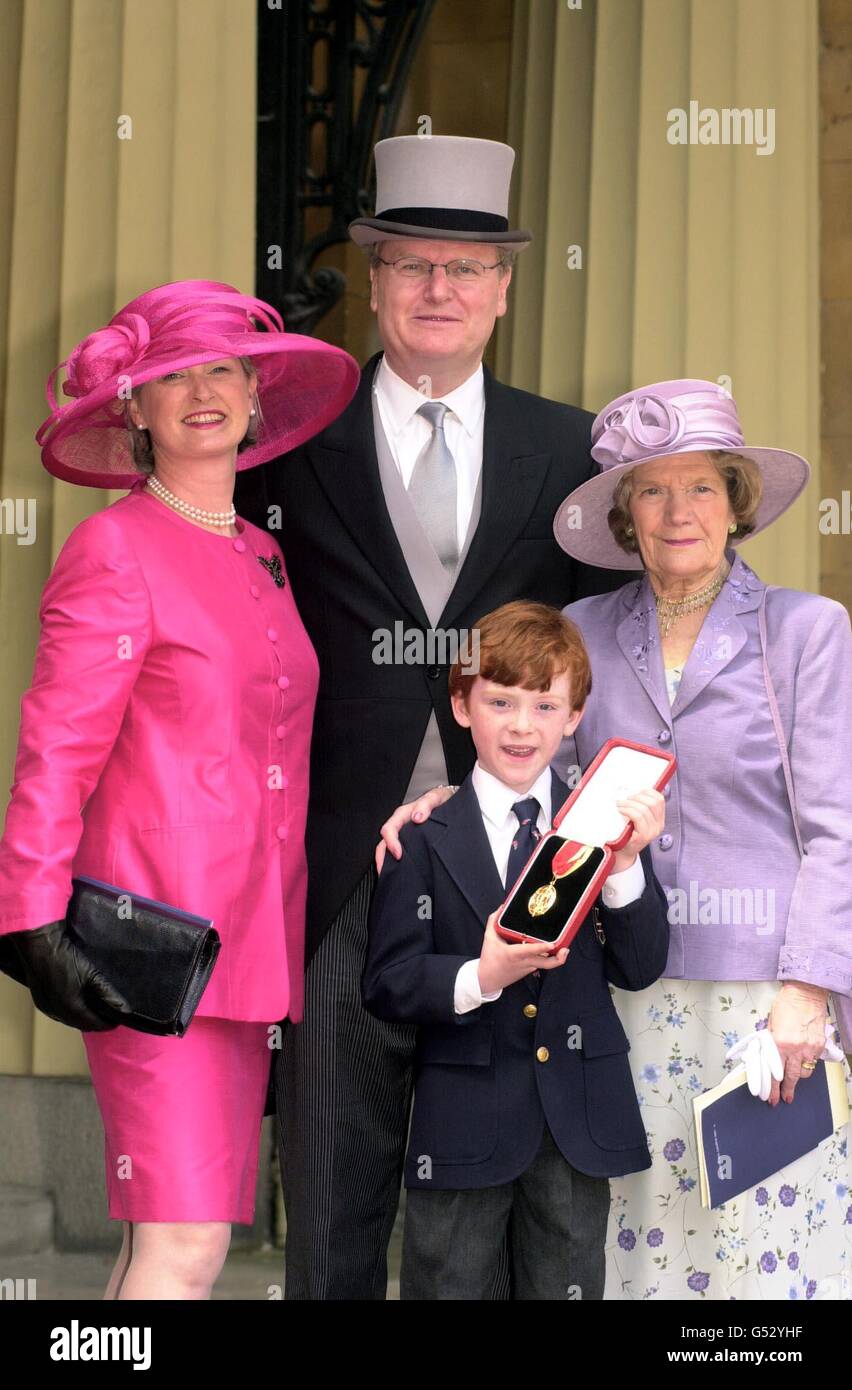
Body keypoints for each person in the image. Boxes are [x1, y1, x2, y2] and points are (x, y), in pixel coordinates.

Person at [234, 134, 625, 1299]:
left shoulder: (573, 451)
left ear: (505, 287)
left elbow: (609, 654)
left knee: (497, 1218)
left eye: (466, 267)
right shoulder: (290, 445)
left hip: (511, 878)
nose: (439, 290)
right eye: (412, 265)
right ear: (374, 280)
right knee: (335, 1202)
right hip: (339, 869)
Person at [390, 378, 852, 1300]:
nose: (677, 510)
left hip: (763, 996)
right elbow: (535, 774)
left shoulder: (807, 631)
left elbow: (839, 827)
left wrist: (809, 990)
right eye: (651, 489)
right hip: (617, 996)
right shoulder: (585, 631)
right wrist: (436, 802)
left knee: (764, 1256)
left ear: (737, 504)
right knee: (636, 1252)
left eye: (701, 487)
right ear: (623, 515)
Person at [0, 281, 358, 1300]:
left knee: (163, 1237)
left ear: (254, 393)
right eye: (172, 377)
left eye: (223, 370)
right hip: (153, 946)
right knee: (186, 1244)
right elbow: (55, 750)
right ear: (135, 410)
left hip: (248, 944)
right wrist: (30, 919)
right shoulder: (113, 548)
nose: (202, 392)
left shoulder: (263, 554)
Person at [363, 601, 669, 1300]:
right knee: (450, 1286)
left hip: (575, 1125)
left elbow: (642, 964)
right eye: (500, 701)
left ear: (574, 714)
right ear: (463, 706)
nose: (522, 724)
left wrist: (623, 869)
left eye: (544, 704)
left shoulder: (600, 824)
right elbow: (388, 982)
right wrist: (480, 975)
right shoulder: (425, 835)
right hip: (463, 1124)